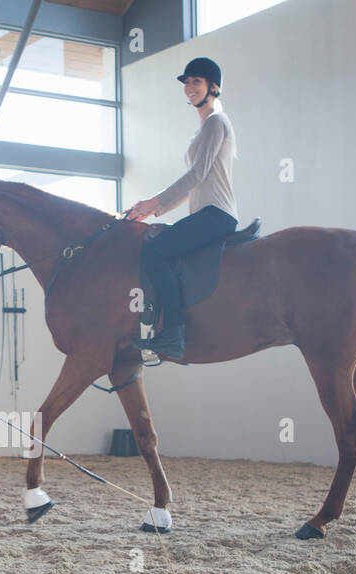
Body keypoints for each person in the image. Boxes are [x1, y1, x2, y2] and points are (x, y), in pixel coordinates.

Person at [124, 57, 239, 359]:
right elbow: (194, 185)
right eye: (186, 83)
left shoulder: (216, 121)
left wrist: (155, 201)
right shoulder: (203, 128)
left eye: (195, 82)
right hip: (206, 212)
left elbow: (197, 174)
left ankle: (173, 331)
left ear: (213, 87)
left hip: (217, 214)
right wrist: (152, 210)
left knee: (154, 252)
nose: (189, 87)